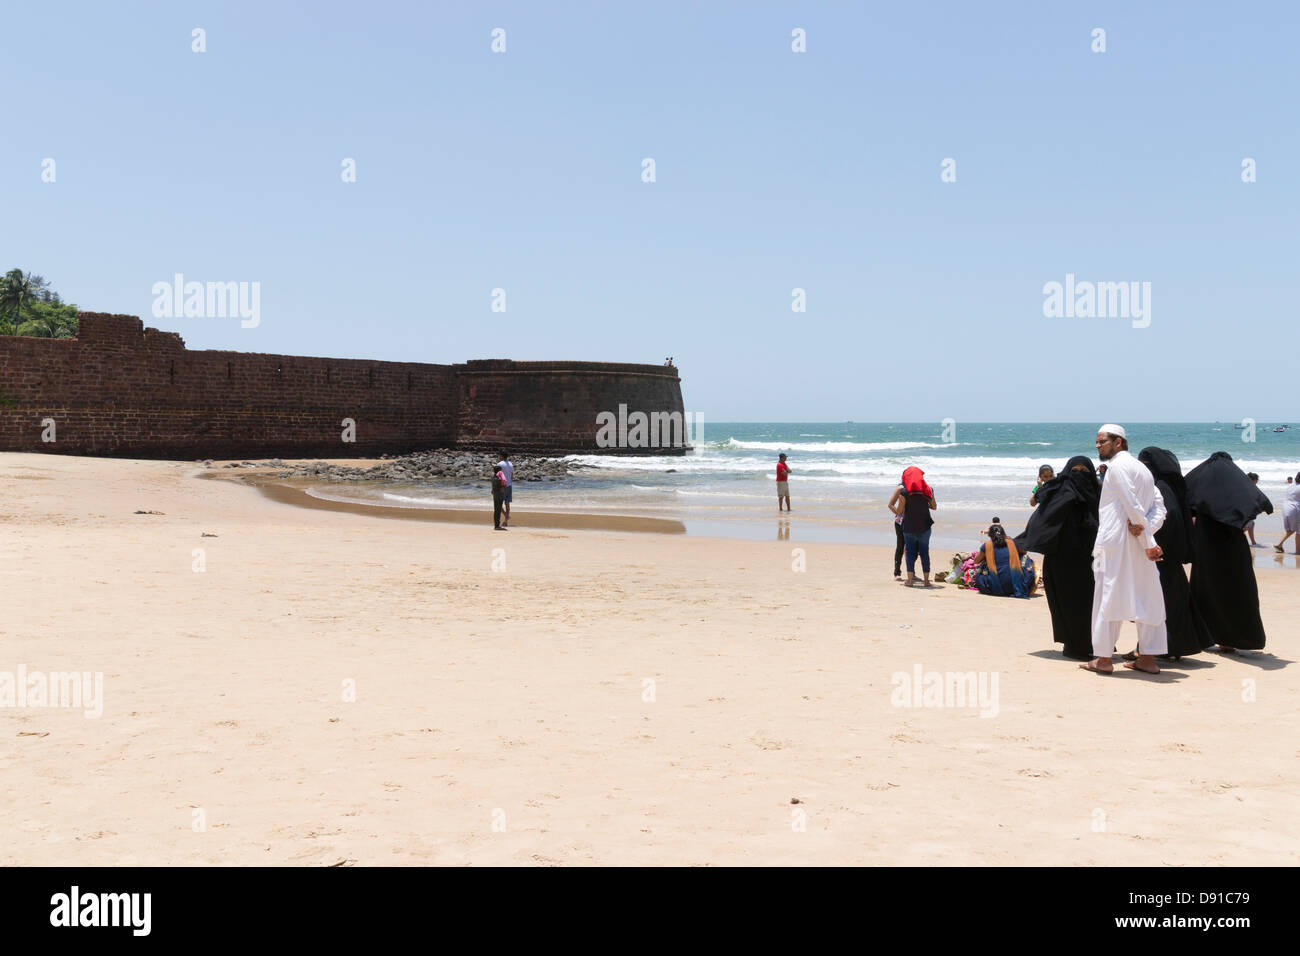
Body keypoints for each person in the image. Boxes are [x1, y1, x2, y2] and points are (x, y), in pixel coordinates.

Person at [1082, 425, 1168, 675]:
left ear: (1118, 442)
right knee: (1147, 596)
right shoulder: (1144, 469)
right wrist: (1147, 533)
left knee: (1107, 595)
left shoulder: (1117, 467)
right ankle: (1148, 659)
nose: (1097, 446)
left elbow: (1132, 503)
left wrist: (1148, 541)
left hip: (1115, 543)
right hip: (1137, 543)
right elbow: (1159, 507)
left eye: (1102, 441)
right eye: (1097, 442)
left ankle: (1104, 660)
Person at [1185, 451, 1273, 652]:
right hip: (1233, 547)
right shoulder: (1239, 487)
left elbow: (1184, 494)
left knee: (1205, 589)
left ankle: (1204, 635)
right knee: (1236, 591)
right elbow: (1257, 503)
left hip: (1206, 545)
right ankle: (1232, 639)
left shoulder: (1203, 484)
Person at [1130, 448, 1213, 659]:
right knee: (1172, 601)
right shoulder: (1170, 487)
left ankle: (1149, 649)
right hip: (1169, 556)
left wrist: (1150, 543)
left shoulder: (1160, 488)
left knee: (1158, 603)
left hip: (1161, 557)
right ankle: (1168, 648)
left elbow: (1168, 519)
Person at [1015, 456, 1099, 659]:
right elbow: (1042, 519)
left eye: (1085, 471)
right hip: (1061, 559)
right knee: (1067, 604)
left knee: (1092, 603)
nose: (1080, 475)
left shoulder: (1098, 493)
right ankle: (1073, 646)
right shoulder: (1058, 491)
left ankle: (1096, 644)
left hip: (1092, 560)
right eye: (1075, 470)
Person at [972, 522, 1036, 597]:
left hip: (994, 587)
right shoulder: (1013, 542)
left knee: (983, 566)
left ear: (990, 535)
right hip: (1015, 587)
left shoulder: (987, 545)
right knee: (1024, 557)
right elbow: (1024, 552)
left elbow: (976, 561)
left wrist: (987, 555)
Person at [899, 466, 937, 588]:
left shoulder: (904, 491)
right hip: (925, 525)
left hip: (909, 526)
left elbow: (900, 510)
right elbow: (933, 507)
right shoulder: (928, 489)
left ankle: (910, 581)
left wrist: (893, 508)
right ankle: (926, 581)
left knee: (910, 552)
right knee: (924, 552)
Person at [1275, 471, 1300, 554]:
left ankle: (1279, 545)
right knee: (1298, 531)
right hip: (1295, 510)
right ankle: (1298, 551)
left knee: (1290, 529)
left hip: (1286, 508)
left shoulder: (1290, 486)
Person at [887, 480, 907, 580]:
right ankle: (897, 572)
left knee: (913, 549)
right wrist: (899, 513)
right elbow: (890, 504)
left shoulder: (918, 487)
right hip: (901, 522)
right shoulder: (901, 488)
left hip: (914, 523)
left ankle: (911, 572)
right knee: (901, 546)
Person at [496, 451, 514, 528]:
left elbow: (497, 476)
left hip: (502, 486)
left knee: (498, 504)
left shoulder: (500, 464)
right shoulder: (510, 464)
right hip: (509, 485)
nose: (498, 457)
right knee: (507, 503)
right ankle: (506, 521)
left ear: (502, 456)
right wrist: (509, 482)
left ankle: (506, 516)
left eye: (499, 456)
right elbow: (512, 475)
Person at [1244, 473, 1262, 546]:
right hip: (1244, 511)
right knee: (1250, 524)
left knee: (1251, 523)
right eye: (1257, 479)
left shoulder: (1245, 485)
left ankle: (1253, 542)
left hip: (1242, 511)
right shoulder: (1250, 487)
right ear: (1253, 480)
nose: (1257, 481)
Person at [491, 466, 506, 530]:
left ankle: (496, 525)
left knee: (496, 511)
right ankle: (497, 526)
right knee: (498, 510)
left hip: (495, 495)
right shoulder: (500, 479)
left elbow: (493, 488)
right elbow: (502, 487)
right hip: (499, 496)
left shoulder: (493, 477)